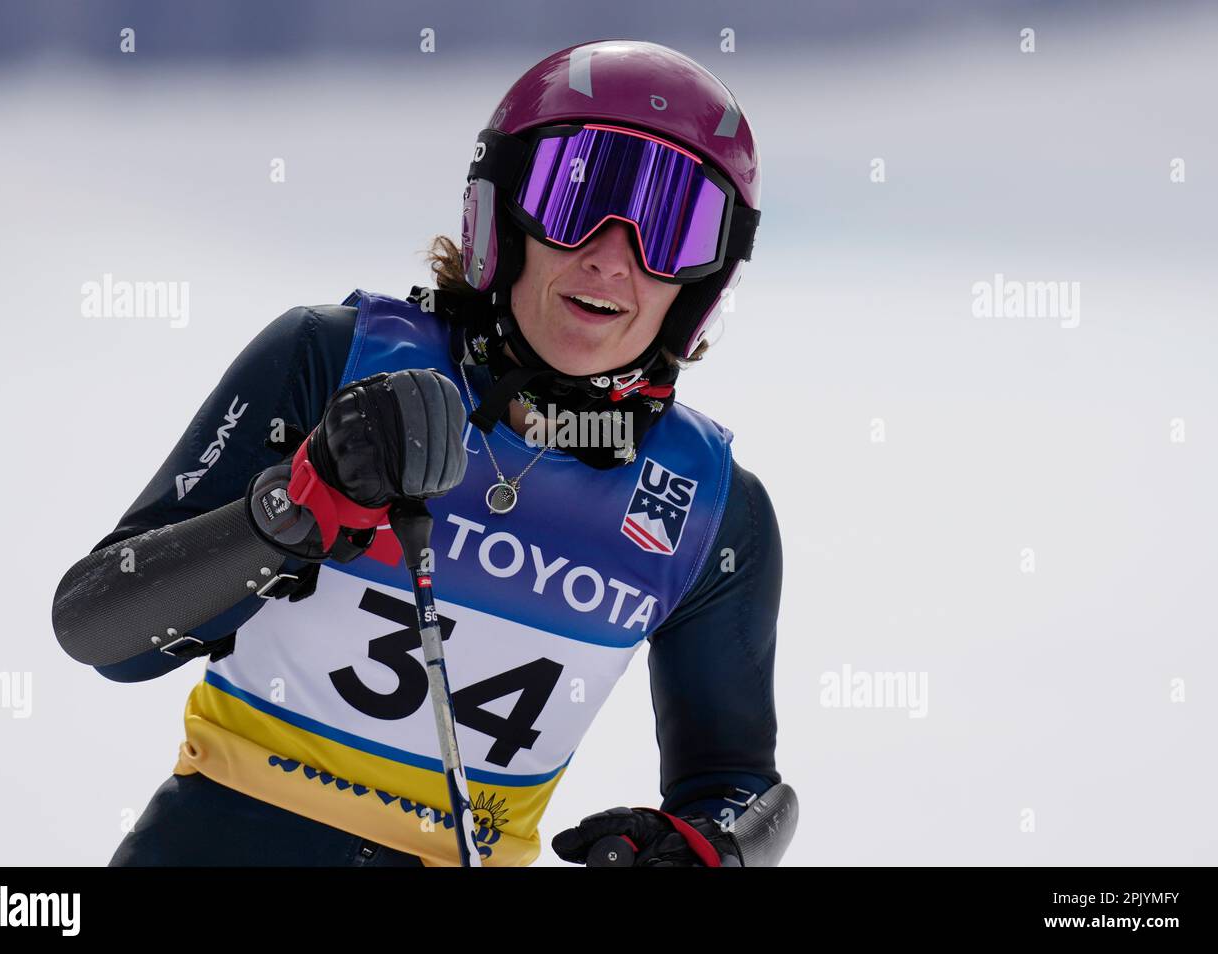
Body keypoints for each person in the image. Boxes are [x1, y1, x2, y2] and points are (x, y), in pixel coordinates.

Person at [52, 38, 797, 867]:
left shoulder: (709, 508)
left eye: (672, 227)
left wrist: (706, 848)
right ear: (500, 214)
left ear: (705, 280)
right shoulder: (330, 361)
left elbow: (737, 786)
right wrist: (293, 513)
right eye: (573, 197)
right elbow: (101, 632)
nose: (612, 257)